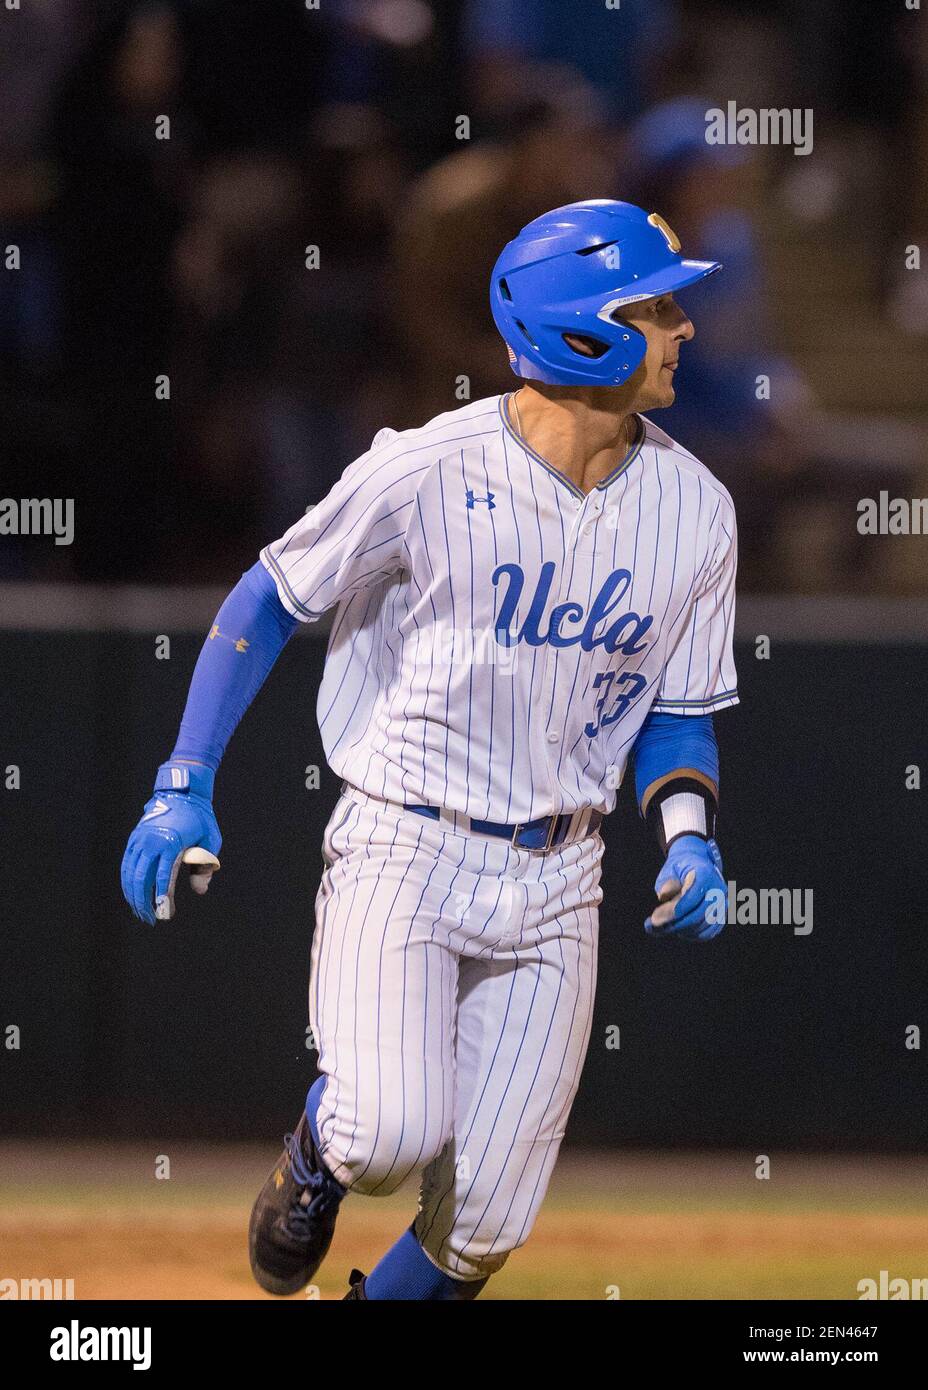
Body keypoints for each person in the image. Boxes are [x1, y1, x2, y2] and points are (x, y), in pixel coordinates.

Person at [121, 199, 739, 1301]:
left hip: (562, 872)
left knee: (483, 1225)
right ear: (583, 330)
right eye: (654, 308)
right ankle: (317, 1155)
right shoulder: (426, 468)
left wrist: (687, 836)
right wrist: (184, 779)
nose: (683, 327)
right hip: (409, 841)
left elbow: (678, 709)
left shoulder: (697, 508)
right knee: (386, 1136)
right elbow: (271, 595)